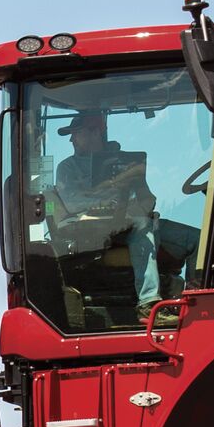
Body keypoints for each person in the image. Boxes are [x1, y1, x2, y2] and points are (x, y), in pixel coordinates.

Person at [44, 107, 164, 311]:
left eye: (77, 133)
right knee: (143, 225)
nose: (71, 140)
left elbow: (148, 199)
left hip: (127, 225)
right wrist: (109, 196)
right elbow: (73, 203)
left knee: (192, 239)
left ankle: (195, 297)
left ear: (95, 132)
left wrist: (138, 202)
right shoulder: (67, 168)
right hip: (88, 234)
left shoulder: (126, 164)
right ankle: (149, 303)